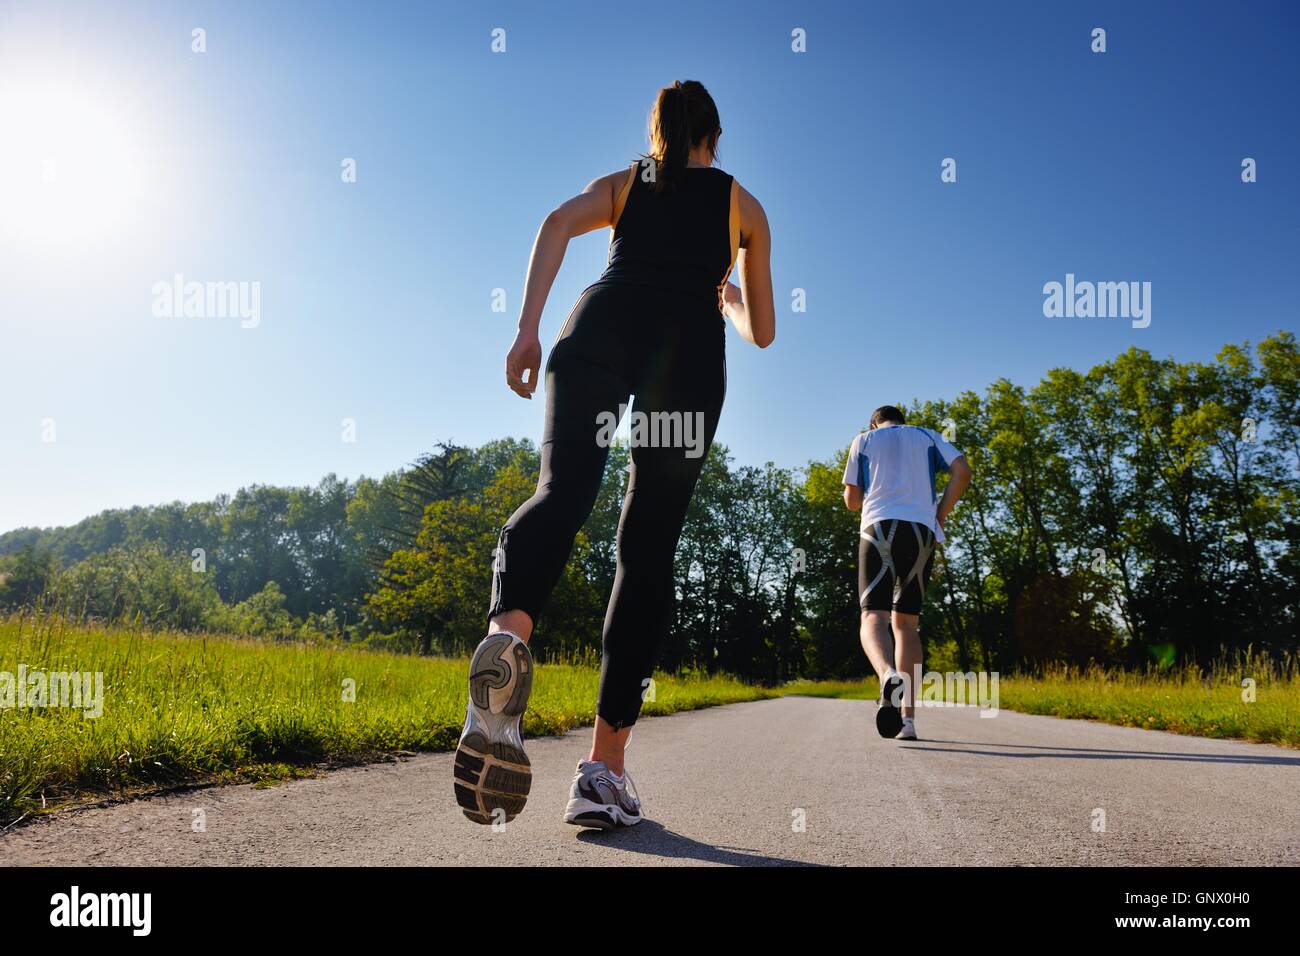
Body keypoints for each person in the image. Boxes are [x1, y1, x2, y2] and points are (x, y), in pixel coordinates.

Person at [454, 80, 775, 829]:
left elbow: (557, 222)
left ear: (658, 129)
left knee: (562, 493)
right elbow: (761, 328)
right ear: (715, 135)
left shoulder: (630, 182)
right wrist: (724, 294)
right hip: (687, 355)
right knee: (647, 543)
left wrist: (528, 329)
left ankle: (507, 643)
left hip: (599, 329)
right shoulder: (743, 207)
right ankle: (603, 771)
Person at [841, 406, 971, 740]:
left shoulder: (863, 440)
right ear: (902, 420)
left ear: (874, 423)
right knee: (907, 624)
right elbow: (963, 472)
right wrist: (940, 514)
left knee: (873, 617)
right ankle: (908, 721)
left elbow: (853, 501)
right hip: (921, 532)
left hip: (878, 528)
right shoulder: (929, 435)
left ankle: (887, 675)